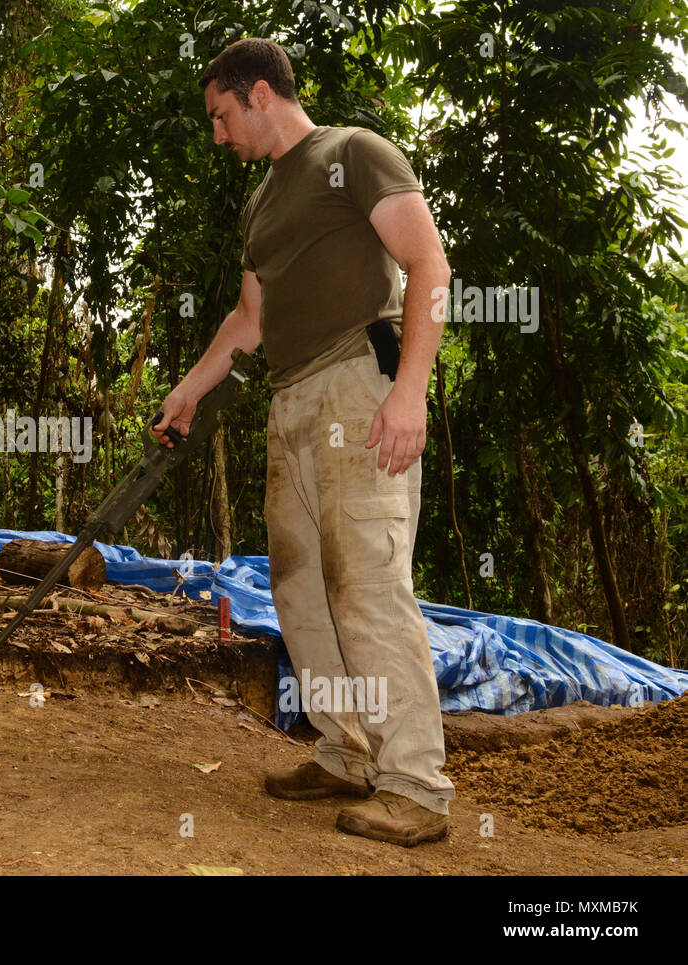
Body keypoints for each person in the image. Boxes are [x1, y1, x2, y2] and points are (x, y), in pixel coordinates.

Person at [151, 37, 455, 847]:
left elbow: (429, 263)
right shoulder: (260, 203)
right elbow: (249, 320)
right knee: (300, 588)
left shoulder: (353, 152)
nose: (217, 135)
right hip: (289, 401)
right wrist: (188, 391)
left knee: (366, 578)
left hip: (360, 382)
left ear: (258, 95)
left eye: (220, 116)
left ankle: (416, 785)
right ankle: (345, 750)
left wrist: (410, 391)